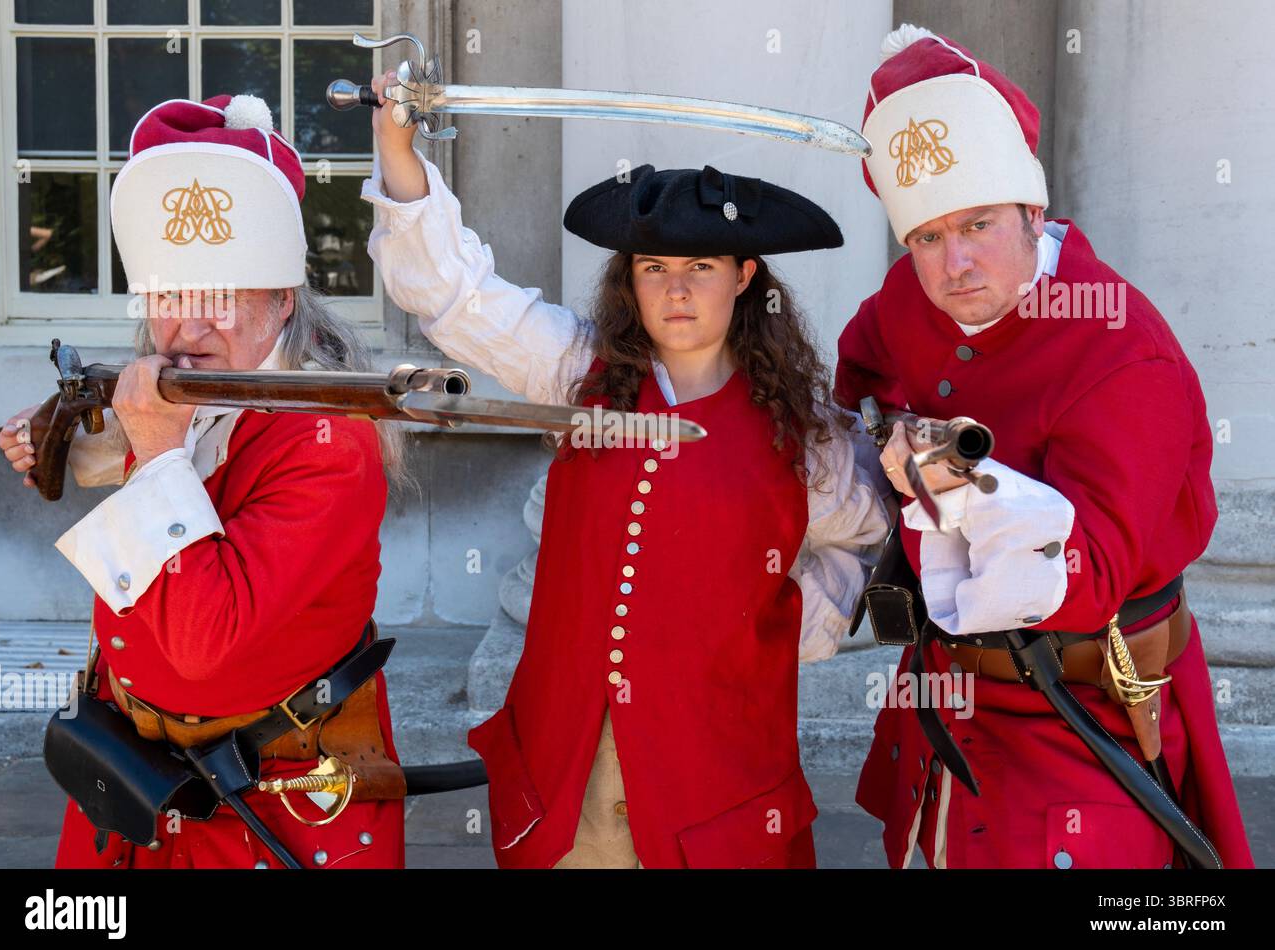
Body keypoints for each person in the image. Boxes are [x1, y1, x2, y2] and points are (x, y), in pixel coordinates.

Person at [363, 71, 890, 867]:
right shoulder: (578, 372)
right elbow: (460, 298)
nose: (676, 290)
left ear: (745, 276)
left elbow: (874, 535)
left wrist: (791, 620)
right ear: (629, 279)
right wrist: (397, 152)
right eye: (652, 268)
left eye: (701, 268)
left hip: (723, 793)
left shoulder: (804, 437)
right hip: (570, 786)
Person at [836, 25, 1254, 868]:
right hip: (945, 698)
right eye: (926, 236)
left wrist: (937, 482)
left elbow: (1084, 578)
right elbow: (858, 379)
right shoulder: (908, 301)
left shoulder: (1124, 354)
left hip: (1078, 714)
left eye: (980, 224)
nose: (955, 263)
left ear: (1034, 210)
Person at [0, 94, 408, 869]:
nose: (188, 329)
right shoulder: (187, 391)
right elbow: (111, 429)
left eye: (220, 298)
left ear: (282, 301)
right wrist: (50, 433)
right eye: (169, 299)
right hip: (132, 779)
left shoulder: (332, 442)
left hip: (275, 799)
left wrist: (154, 457)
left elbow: (203, 645)